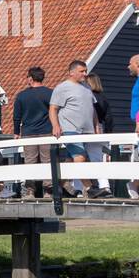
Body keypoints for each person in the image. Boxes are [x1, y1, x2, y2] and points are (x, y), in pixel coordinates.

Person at [49, 59, 110, 198]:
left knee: (71, 161)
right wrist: (56, 126)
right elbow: (53, 108)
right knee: (80, 157)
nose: (85, 74)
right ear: (71, 72)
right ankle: (90, 189)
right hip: (71, 129)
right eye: (81, 71)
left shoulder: (87, 87)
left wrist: (96, 126)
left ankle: (59, 186)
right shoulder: (62, 87)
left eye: (85, 71)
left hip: (86, 131)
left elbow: (92, 108)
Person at [13, 67, 54, 198]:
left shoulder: (21, 95)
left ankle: (30, 191)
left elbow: (16, 116)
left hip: (28, 133)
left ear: (30, 78)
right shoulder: (50, 93)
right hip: (47, 131)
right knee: (47, 161)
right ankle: (48, 191)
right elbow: (55, 112)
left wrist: (16, 132)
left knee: (30, 162)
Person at [87, 72, 114, 193]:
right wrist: (108, 133)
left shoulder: (88, 97)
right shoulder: (104, 97)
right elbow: (109, 117)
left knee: (81, 158)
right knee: (99, 158)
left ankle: (79, 187)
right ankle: (105, 185)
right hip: (102, 129)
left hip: (90, 129)